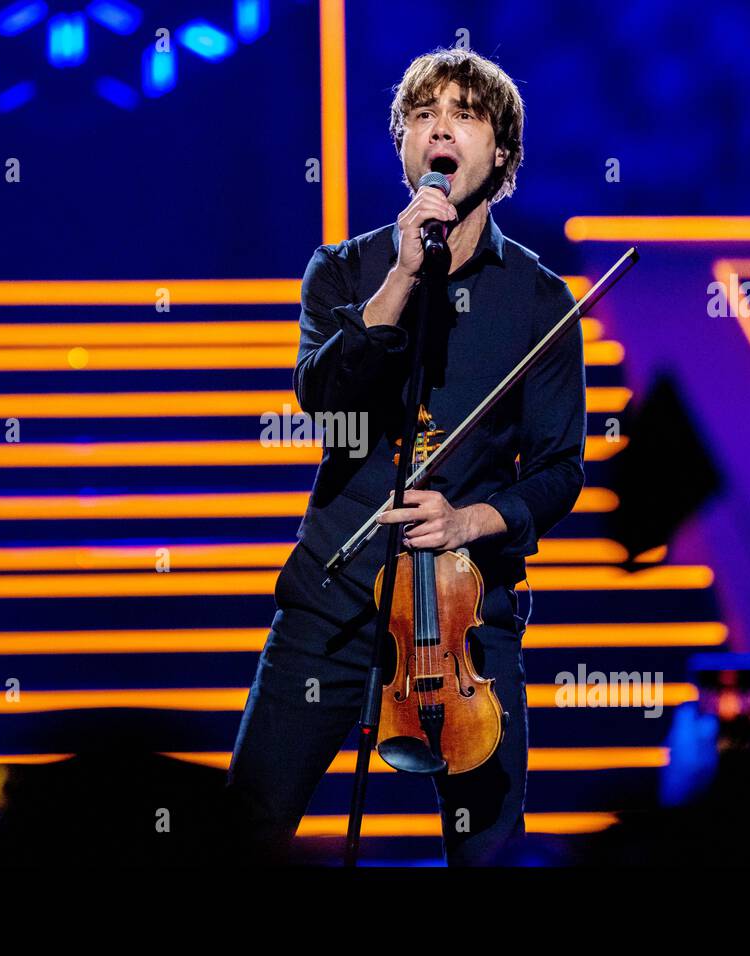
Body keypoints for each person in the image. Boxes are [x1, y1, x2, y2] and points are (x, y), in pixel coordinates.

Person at [224, 46, 586, 866]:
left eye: (463, 115)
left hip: (467, 622)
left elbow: (562, 469)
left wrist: (468, 519)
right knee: (244, 833)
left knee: (487, 853)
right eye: (422, 116)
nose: (439, 130)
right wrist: (397, 282)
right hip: (336, 602)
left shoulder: (539, 300)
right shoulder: (345, 271)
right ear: (403, 151)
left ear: (500, 155)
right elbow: (325, 402)